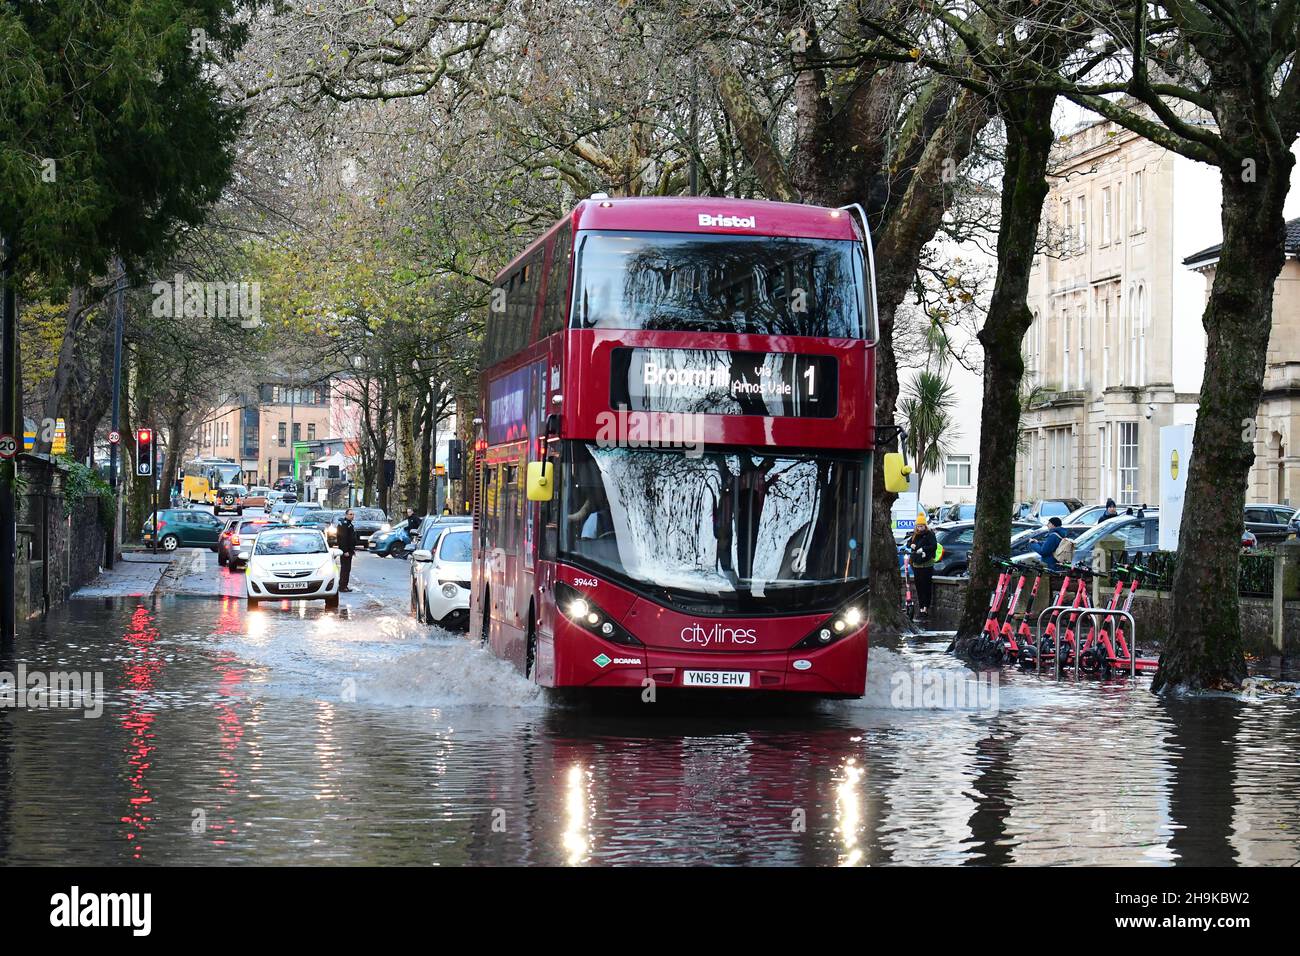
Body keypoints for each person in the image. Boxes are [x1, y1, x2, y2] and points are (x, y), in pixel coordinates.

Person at [909, 513, 938, 621]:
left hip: (927, 564)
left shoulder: (929, 534)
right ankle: (921, 608)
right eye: (918, 526)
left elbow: (933, 546)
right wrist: (911, 545)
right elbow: (910, 543)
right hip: (917, 564)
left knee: (926, 586)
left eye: (921, 526)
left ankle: (925, 608)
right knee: (919, 587)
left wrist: (924, 549)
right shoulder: (915, 535)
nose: (920, 528)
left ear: (925, 526)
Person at [336, 509, 358, 592]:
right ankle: (342, 586)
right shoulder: (344, 525)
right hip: (346, 551)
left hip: (349, 550)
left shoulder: (348, 524)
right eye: (350, 514)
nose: (352, 516)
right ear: (346, 515)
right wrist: (345, 551)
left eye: (353, 514)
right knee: (345, 569)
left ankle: (344, 585)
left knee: (347, 569)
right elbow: (343, 539)